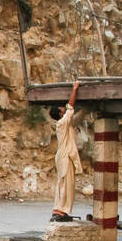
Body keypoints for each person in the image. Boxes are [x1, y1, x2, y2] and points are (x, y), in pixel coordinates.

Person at [50, 81, 81, 221]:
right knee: (67, 183)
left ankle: (58, 207)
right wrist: (74, 89)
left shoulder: (63, 125)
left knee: (62, 183)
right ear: (60, 112)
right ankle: (63, 209)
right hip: (65, 156)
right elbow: (70, 107)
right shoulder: (62, 123)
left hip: (62, 155)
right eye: (61, 109)